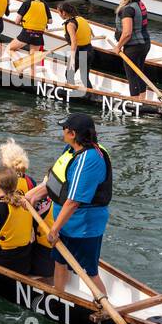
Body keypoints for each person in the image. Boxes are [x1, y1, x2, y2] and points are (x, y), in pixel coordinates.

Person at [24, 113, 112, 294]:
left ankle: (105, 308)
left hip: (83, 227)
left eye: (64, 129)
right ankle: (59, 294)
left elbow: (73, 201)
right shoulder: (71, 149)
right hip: (66, 224)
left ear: (72, 133)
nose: (62, 131)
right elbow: (56, 181)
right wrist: (32, 195)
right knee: (60, 261)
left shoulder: (89, 160)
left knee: (89, 271)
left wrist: (54, 229)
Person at [113, 0, 150, 98]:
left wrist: (118, 46)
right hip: (145, 44)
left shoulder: (128, 10)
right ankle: (143, 101)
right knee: (139, 72)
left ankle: (136, 102)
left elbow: (127, 33)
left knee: (132, 76)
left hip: (133, 47)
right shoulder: (139, 4)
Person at [6, 0, 49, 70]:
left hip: (26, 34)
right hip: (39, 35)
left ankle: (20, 62)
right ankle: (32, 78)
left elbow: (17, 21)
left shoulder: (27, 3)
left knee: (9, 49)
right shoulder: (44, 4)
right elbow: (50, 21)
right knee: (32, 59)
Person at [58, 1, 93, 86]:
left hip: (79, 52)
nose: (58, 14)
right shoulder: (81, 19)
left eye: (59, 12)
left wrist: (72, 57)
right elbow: (91, 32)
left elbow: (74, 42)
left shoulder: (70, 24)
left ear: (64, 13)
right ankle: (90, 93)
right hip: (89, 50)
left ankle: (71, 93)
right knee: (84, 77)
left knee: (69, 74)